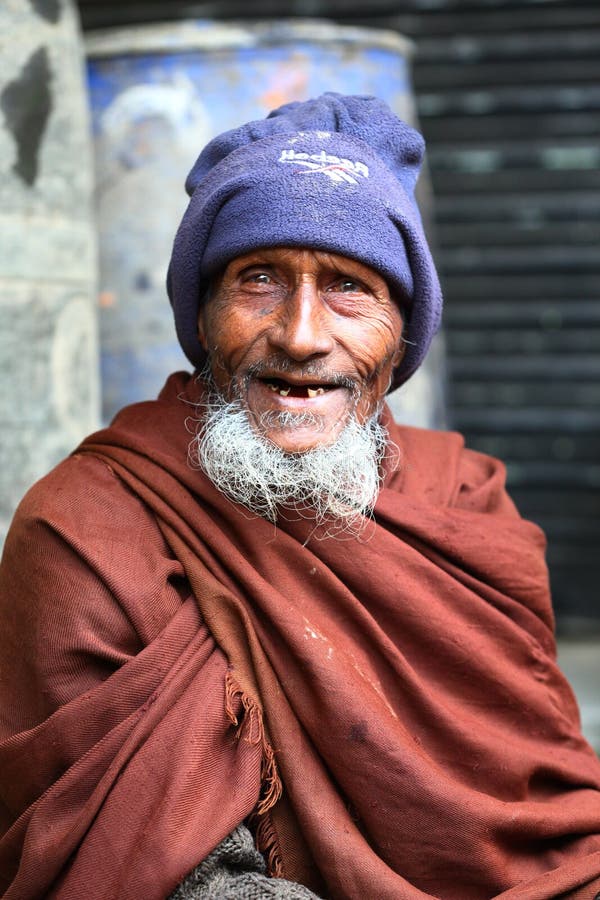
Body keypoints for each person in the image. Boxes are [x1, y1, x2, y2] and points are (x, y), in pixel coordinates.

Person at [0, 93, 599, 900]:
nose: (302, 334)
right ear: (204, 317)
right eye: (257, 280)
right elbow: (143, 863)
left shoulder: (465, 503)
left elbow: (551, 808)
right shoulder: (88, 524)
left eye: (350, 286)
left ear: (402, 334)